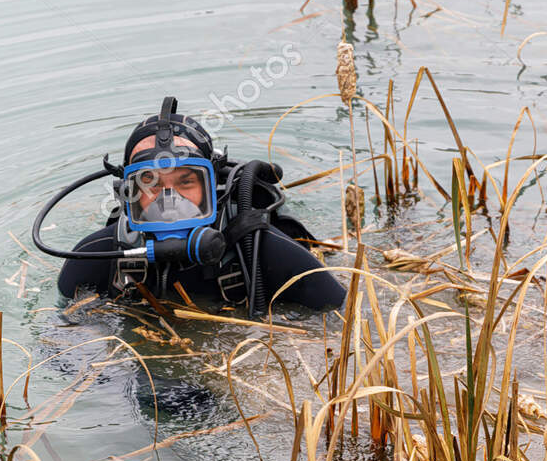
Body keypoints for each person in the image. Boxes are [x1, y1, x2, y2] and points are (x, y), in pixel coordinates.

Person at [46, 98, 347, 312]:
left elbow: (343, 319)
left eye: (185, 182)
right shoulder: (99, 255)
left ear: (212, 188)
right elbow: (62, 340)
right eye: (149, 182)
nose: (169, 200)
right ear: (127, 192)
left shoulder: (255, 250)